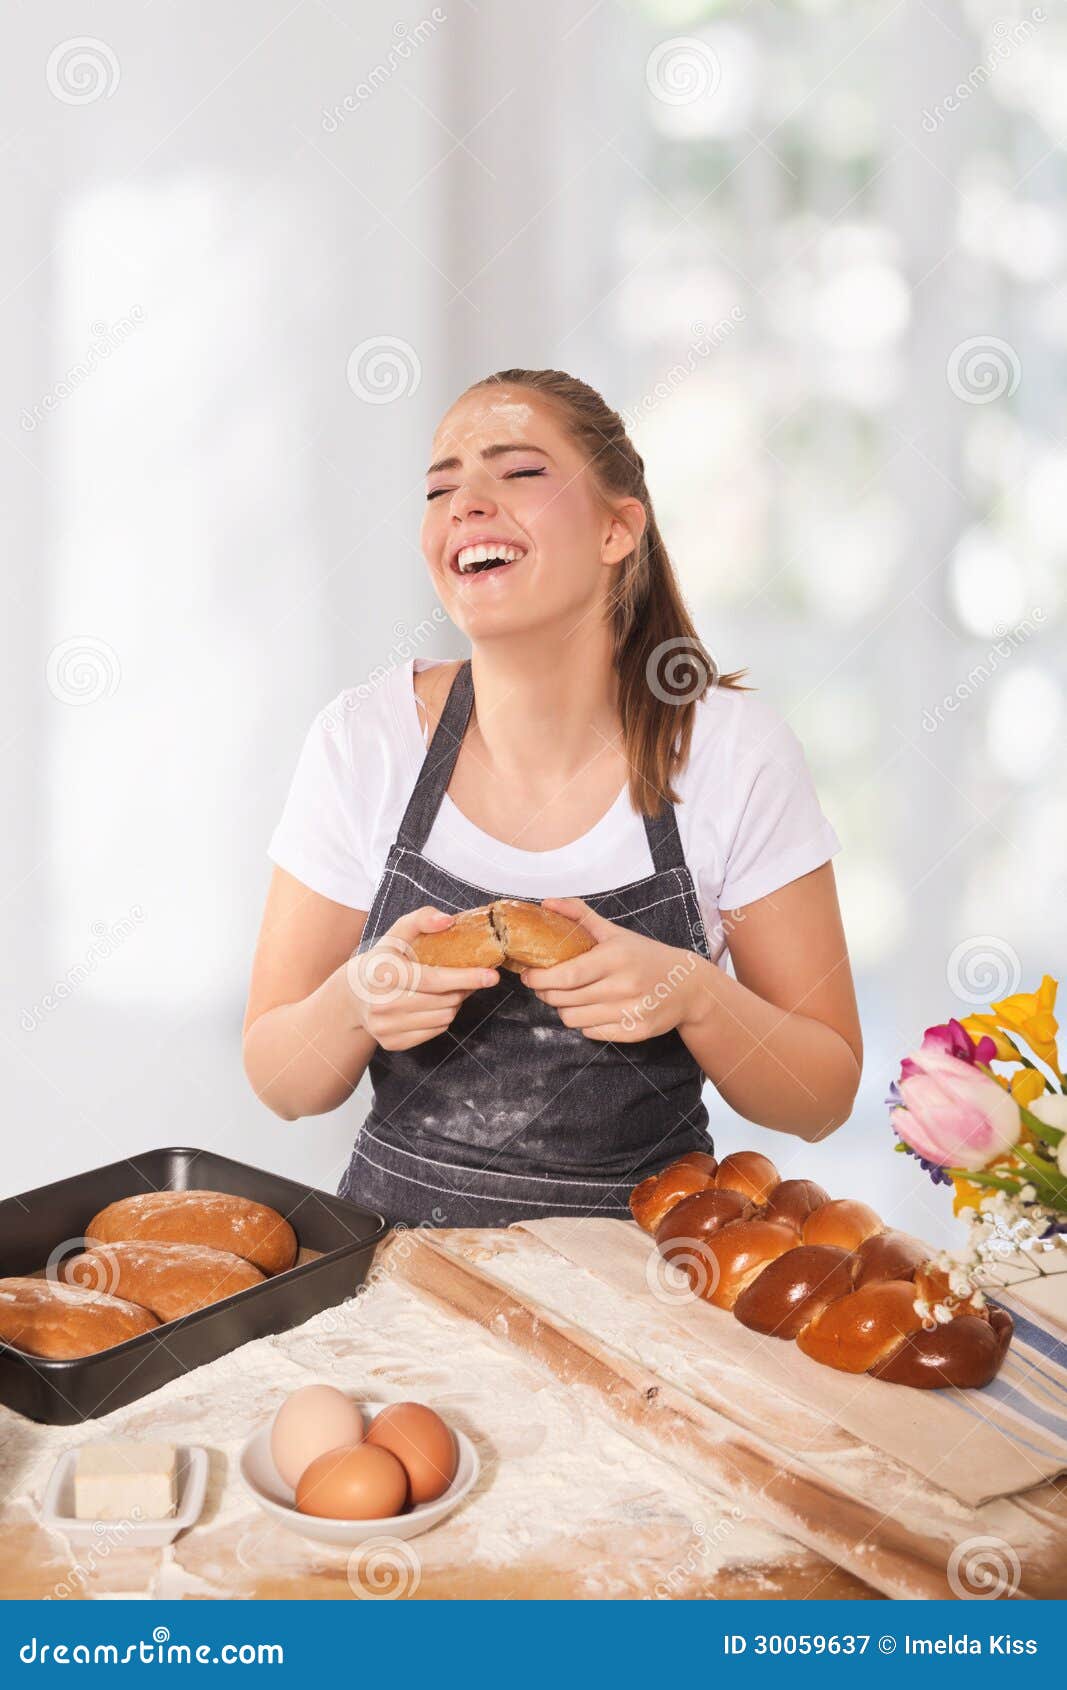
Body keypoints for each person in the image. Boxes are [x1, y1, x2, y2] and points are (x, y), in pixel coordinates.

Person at [243, 368, 862, 1226]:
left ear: (617, 529)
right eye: (440, 487)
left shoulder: (732, 754)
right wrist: (357, 999)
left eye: (520, 471)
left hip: (649, 1273)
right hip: (397, 1273)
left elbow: (820, 1098)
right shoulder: (362, 742)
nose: (466, 503)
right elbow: (281, 1081)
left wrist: (693, 993)